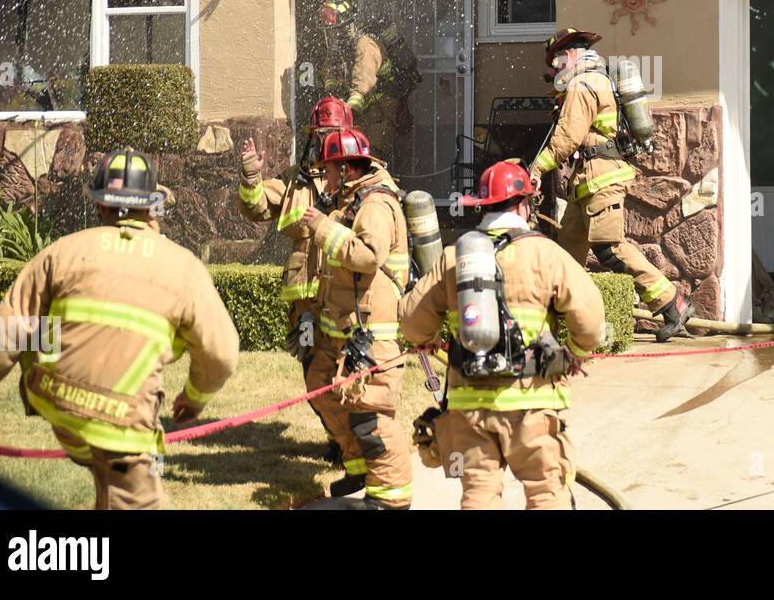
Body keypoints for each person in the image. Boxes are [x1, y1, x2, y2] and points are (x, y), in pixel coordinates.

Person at [0, 149, 239, 509]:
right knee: (138, 494)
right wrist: (193, 399)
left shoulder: (61, 253)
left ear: (100, 206)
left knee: (108, 481)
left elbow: (6, 332)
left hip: (54, 401)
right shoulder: (184, 269)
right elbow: (223, 354)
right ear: (151, 206)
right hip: (122, 423)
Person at [399, 160, 605, 509]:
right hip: (531, 404)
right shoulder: (545, 254)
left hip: (469, 409)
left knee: (479, 497)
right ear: (524, 205)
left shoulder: (453, 258)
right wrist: (573, 353)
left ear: (482, 207)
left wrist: (430, 336)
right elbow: (591, 321)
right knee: (546, 494)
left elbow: (411, 322)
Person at [530, 28, 694, 341]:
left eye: (558, 61)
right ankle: (558, 323)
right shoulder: (593, 79)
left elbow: (567, 138)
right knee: (568, 255)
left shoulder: (584, 83)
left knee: (610, 250)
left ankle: (673, 303)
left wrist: (536, 169)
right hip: (586, 183)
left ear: (572, 55)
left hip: (600, 180)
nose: (555, 70)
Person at [300, 127, 414, 508]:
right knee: (320, 386)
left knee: (371, 417)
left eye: (329, 170)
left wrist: (323, 227)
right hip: (342, 334)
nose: (325, 178)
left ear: (347, 169)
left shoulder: (376, 205)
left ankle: (391, 497)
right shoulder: (350, 201)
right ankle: (358, 467)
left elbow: (366, 255)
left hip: (371, 337)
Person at [237, 94, 351, 463]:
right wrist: (251, 175)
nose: (323, 140)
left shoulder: (361, 180)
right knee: (311, 371)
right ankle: (336, 439)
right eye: (319, 133)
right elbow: (257, 208)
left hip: (344, 297)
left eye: (331, 133)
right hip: (305, 301)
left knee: (346, 370)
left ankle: (353, 441)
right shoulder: (294, 181)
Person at [318, 0, 420, 167]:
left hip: (380, 112)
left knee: (371, 161)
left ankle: (378, 190)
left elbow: (362, 88)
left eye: (334, 31)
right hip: (363, 115)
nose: (331, 36)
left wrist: (346, 114)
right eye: (328, 32)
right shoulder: (338, 51)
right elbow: (330, 78)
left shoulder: (366, 46)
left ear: (345, 28)